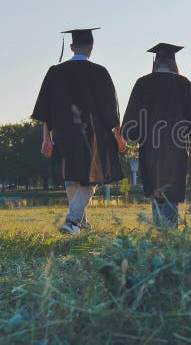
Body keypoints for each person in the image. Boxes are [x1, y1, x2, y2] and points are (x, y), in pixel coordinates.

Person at [31, 27, 126, 235]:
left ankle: (81, 223)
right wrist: (119, 135)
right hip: (93, 133)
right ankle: (73, 220)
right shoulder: (100, 72)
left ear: (72, 47)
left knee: (72, 176)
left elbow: (44, 109)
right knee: (93, 176)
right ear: (92, 47)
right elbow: (112, 108)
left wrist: (46, 138)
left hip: (65, 133)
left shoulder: (55, 72)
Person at [122, 43, 191, 228]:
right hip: (176, 149)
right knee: (170, 191)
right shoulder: (184, 84)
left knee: (157, 189)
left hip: (151, 148)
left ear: (156, 63)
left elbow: (131, 122)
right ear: (174, 63)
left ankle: (164, 233)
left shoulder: (143, 83)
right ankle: (168, 233)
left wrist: (127, 135)